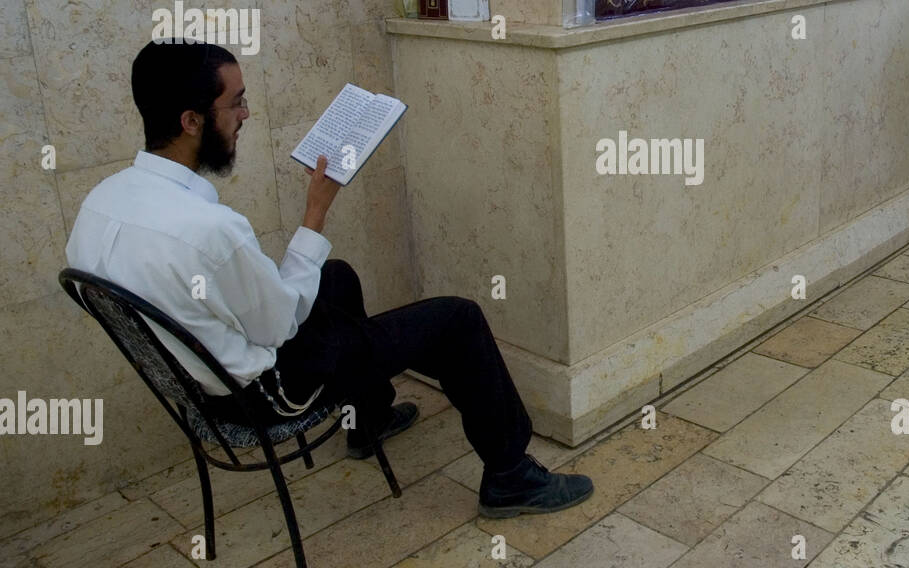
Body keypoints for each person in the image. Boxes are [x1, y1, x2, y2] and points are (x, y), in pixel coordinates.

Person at [65, 39, 593, 518]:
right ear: (191, 120)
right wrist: (316, 210)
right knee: (458, 320)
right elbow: (279, 325)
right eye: (236, 103)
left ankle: (367, 419)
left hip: (201, 388)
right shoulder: (208, 230)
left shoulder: (101, 204)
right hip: (264, 394)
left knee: (334, 276)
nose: (245, 114)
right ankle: (510, 477)